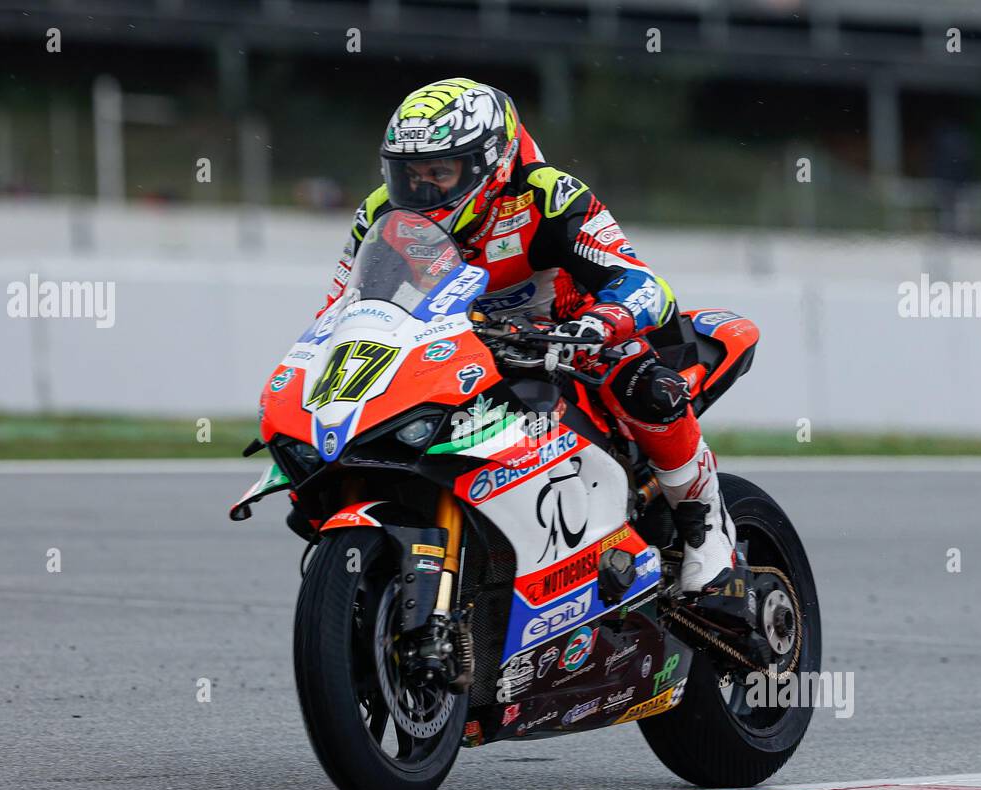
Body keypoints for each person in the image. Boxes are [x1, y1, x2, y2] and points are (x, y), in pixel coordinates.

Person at [317, 78, 747, 599]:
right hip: (465, 349)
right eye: (411, 175)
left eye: (440, 172)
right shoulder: (382, 215)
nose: (423, 190)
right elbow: (343, 306)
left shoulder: (546, 194)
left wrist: (600, 324)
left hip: (575, 342)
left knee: (645, 385)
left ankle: (709, 536)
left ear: (489, 164)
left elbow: (641, 282)